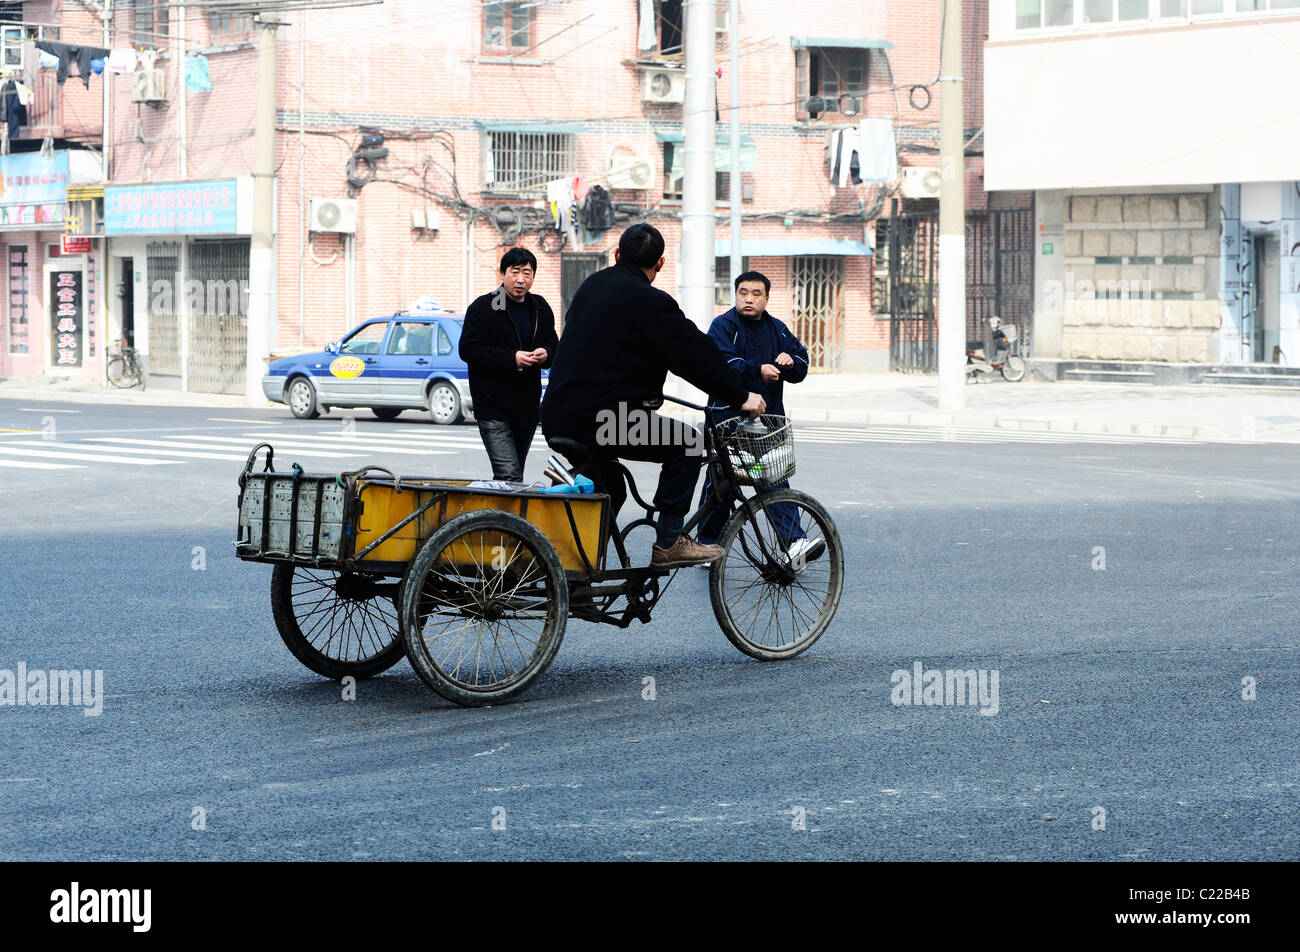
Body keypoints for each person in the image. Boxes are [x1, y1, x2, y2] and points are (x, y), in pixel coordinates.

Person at [541, 223, 766, 568]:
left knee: (610, 489)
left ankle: (573, 568)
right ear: (660, 264)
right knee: (688, 442)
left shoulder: (592, 286)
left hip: (559, 414)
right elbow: (694, 355)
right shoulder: (651, 301)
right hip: (604, 420)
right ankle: (669, 542)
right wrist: (739, 395)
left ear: (617, 256)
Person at [695, 270, 820, 566]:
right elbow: (723, 363)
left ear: (766, 298)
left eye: (756, 294)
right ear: (735, 294)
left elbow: (801, 361)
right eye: (743, 293)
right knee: (722, 484)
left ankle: (793, 544)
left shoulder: (777, 329)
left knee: (771, 476)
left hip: (768, 422)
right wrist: (758, 369)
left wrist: (790, 364)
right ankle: (708, 543)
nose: (749, 299)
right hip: (728, 420)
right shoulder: (723, 326)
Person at [459, 247, 559, 482]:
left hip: (526, 407)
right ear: (502, 274)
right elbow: (468, 350)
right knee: (509, 474)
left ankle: (500, 518)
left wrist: (546, 354)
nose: (521, 279)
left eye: (527, 272)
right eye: (515, 272)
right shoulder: (483, 308)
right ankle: (501, 519)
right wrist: (511, 358)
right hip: (493, 407)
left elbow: (555, 346)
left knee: (513, 476)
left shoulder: (540, 308)